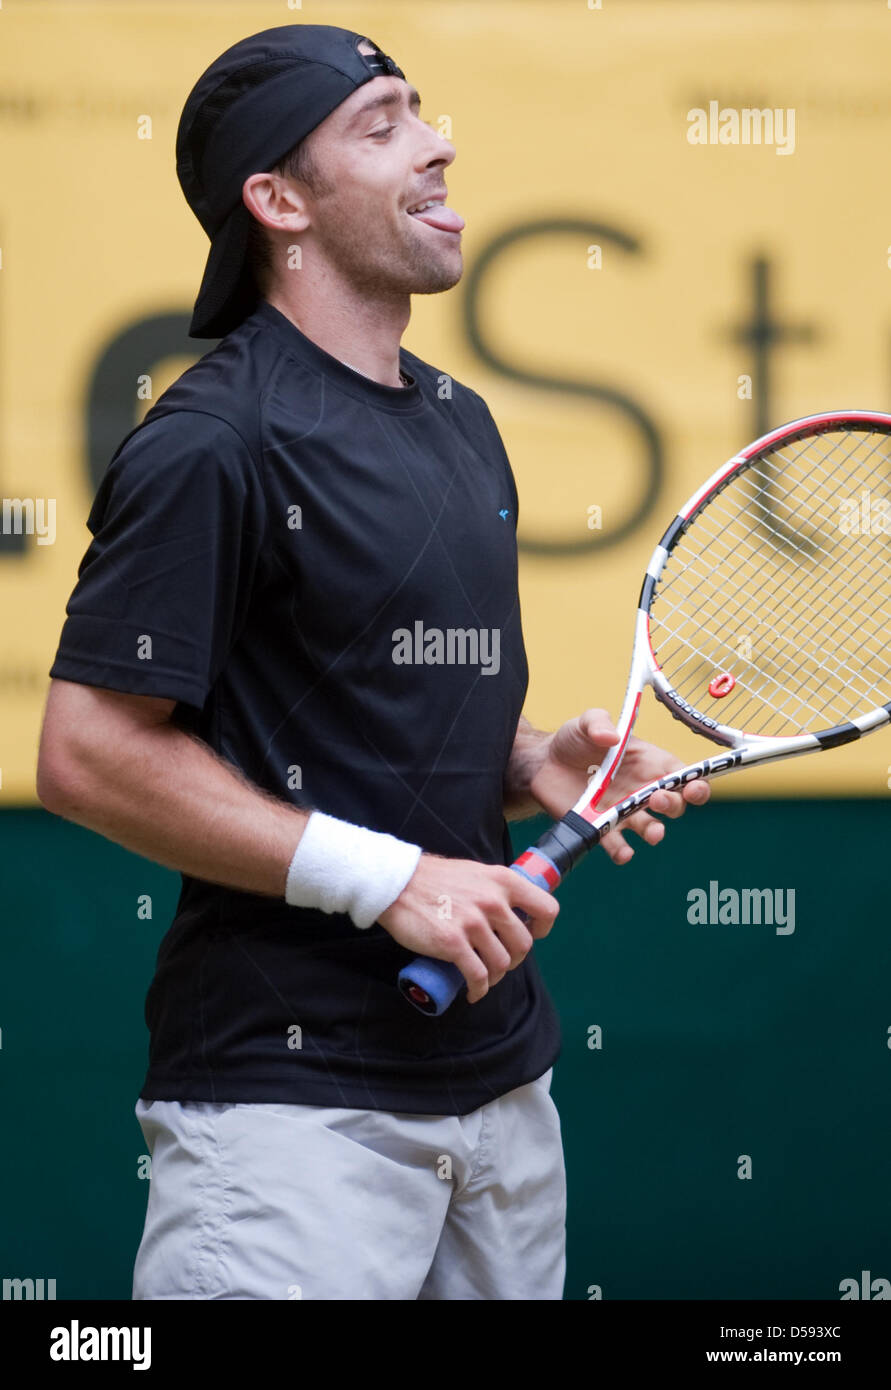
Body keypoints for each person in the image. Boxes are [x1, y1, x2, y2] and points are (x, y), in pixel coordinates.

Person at [36, 24, 709, 1301]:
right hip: (288, 1130)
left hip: (505, 1094)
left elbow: (335, 719)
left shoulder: (461, 420)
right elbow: (85, 755)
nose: (441, 143)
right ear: (279, 202)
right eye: (384, 122)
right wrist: (390, 882)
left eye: (426, 111)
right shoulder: (211, 441)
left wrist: (529, 763)